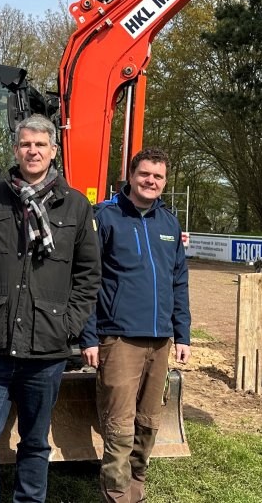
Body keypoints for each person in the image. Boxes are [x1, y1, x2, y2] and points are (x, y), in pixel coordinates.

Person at [0, 114, 101, 503]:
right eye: (25, 144)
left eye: (40, 145)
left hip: (47, 348)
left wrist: (69, 325)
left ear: (54, 151)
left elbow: (88, 274)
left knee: (35, 440)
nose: (32, 151)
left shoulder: (75, 206)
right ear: (15, 149)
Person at [80, 148, 191, 503]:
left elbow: (179, 282)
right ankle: (116, 493)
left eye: (158, 177)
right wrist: (89, 336)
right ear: (131, 175)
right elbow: (88, 280)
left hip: (159, 340)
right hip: (119, 338)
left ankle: (136, 489)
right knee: (120, 425)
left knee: (148, 422)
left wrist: (182, 334)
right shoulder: (106, 218)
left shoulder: (169, 223)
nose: (151, 181)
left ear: (165, 181)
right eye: (145, 174)